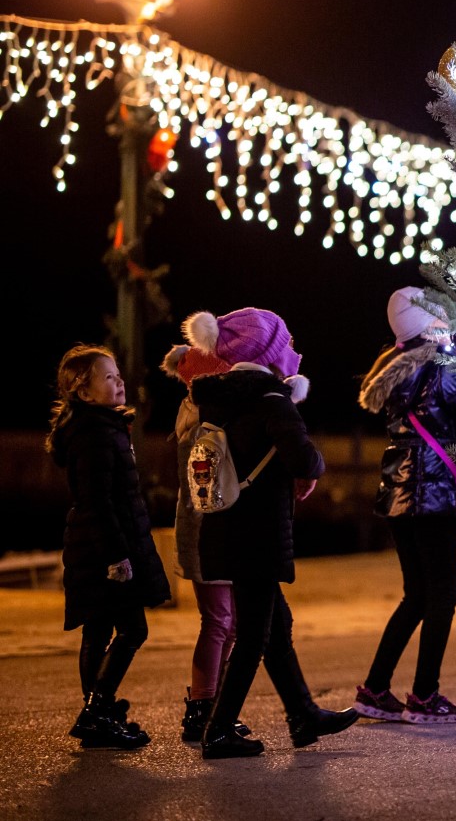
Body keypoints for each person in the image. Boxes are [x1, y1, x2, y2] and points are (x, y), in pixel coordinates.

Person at [188, 308, 358, 759]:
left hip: (225, 527)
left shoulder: (217, 399)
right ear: (267, 349)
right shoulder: (271, 400)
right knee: (255, 636)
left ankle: (302, 714)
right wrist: (314, 467)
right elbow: (303, 459)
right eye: (284, 342)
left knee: (274, 626)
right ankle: (218, 729)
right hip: (258, 535)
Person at [353, 287, 456, 724]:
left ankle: (376, 689)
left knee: (416, 594)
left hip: (397, 493)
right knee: (442, 596)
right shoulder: (444, 372)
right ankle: (424, 695)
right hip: (433, 494)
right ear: (430, 324)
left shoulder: (394, 373)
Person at [47, 345, 170, 750]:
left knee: (98, 630)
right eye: (109, 377)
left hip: (92, 546)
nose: (119, 382)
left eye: (118, 375)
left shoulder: (100, 427)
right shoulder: (96, 434)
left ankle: (97, 713)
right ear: (84, 392)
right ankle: (97, 710)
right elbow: (98, 502)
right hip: (104, 549)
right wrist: (117, 556)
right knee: (133, 629)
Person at [162, 319, 250, 745]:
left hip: (214, 527)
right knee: (219, 621)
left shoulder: (199, 414)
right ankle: (201, 708)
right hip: (207, 528)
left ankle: (212, 703)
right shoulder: (201, 420)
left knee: (228, 624)